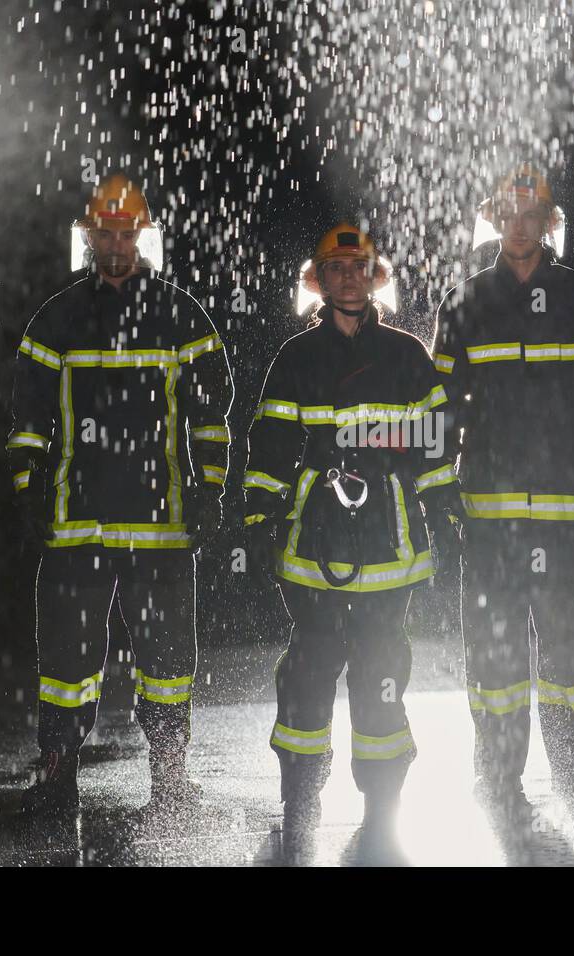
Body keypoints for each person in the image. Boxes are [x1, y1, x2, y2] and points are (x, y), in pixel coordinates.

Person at [6, 173, 234, 818]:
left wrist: (210, 489)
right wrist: (26, 490)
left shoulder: (179, 314)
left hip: (159, 521)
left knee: (167, 660)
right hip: (75, 521)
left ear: (141, 236)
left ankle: (170, 774)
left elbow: (211, 415)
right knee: (65, 661)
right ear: (90, 236)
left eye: (124, 232)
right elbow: (28, 416)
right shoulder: (56, 318)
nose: (114, 243)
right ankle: (57, 772)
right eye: (104, 232)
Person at [243, 223, 462, 862]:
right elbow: (271, 449)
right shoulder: (295, 359)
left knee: (382, 672)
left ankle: (383, 812)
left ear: (374, 276)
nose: (347, 277)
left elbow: (437, 449)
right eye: (335, 268)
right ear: (319, 279)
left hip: (390, 540)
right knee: (309, 670)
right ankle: (300, 803)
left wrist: (448, 516)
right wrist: (258, 522)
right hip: (314, 541)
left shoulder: (407, 357)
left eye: (358, 266)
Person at [432, 164, 574, 825]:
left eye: (531, 215)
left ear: (547, 221)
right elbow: (439, 406)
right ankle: (498, 772)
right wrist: (438, 487)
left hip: (569, 509)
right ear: (494, 219)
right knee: (494, 649)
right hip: (488, 513)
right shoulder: (463, 303)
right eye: (508, 214)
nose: (519, 227)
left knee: (571, 646)